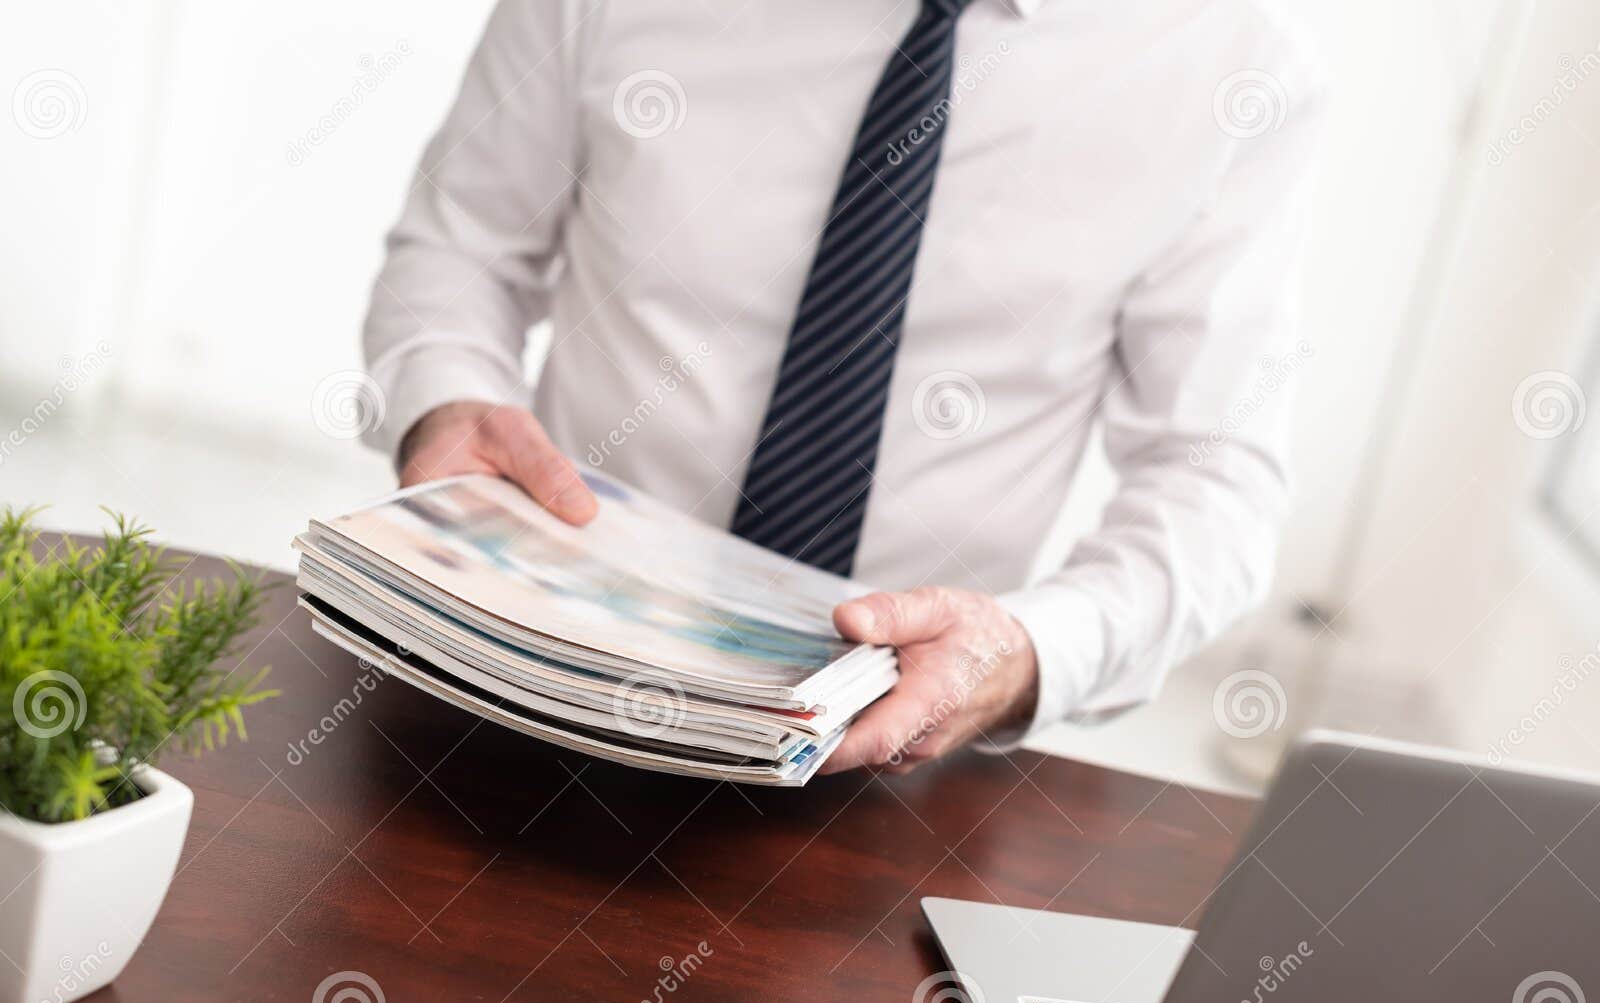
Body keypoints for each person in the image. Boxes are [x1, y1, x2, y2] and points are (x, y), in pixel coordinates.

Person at [362, 0, 1326, 775]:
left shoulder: (1240, 61)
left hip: (895, 753)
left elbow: (1214, 484)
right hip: (530, 674)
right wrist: (445, 406)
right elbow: (462, 248)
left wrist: (1025, 650)